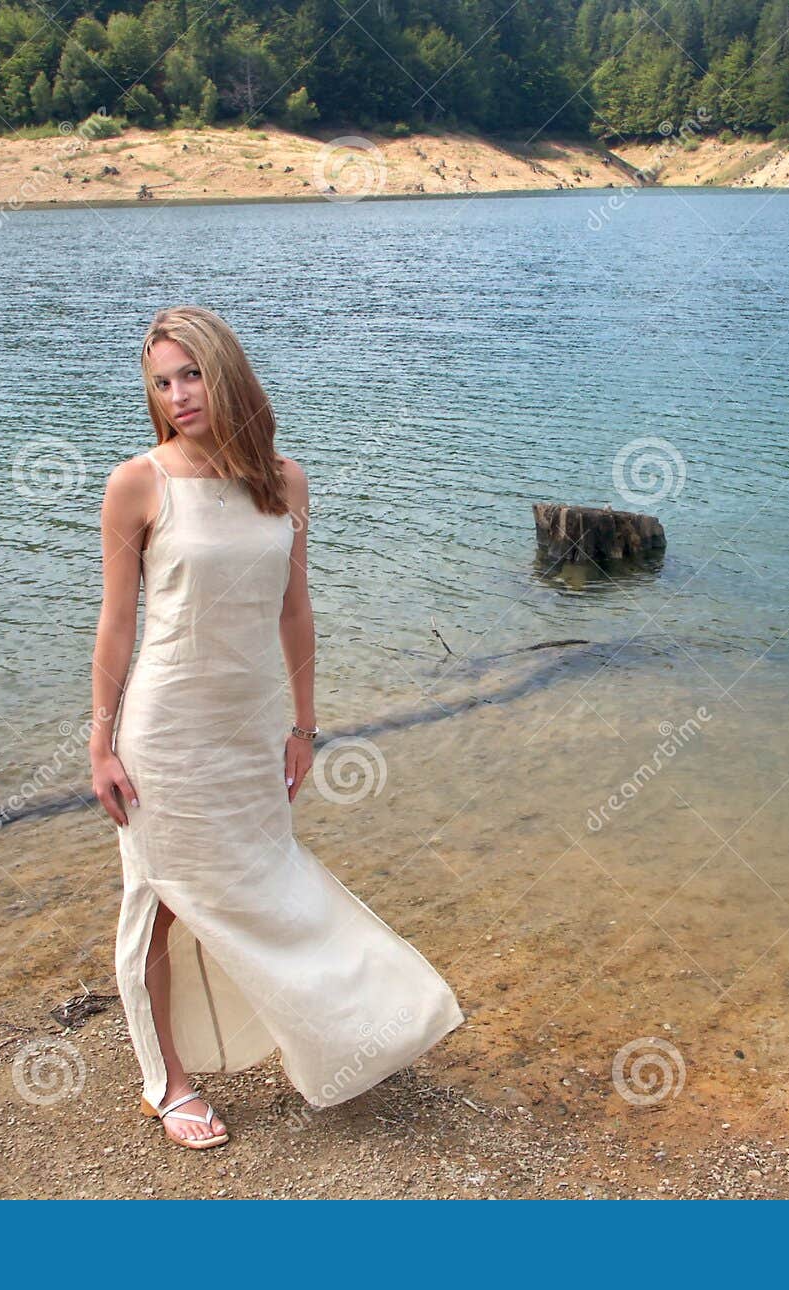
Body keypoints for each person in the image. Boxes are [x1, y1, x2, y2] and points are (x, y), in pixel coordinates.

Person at [88, 305, 464, 1150]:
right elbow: (116, 625)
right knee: (158, 903)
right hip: (165, 733)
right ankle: (166, 1082)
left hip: (251, 730)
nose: (179, 395)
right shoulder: (137, 483)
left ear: (228, 374)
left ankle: (347, 1024)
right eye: (162, 381)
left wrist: (304, 725)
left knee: (270, 890)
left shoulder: (283, 482)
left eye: (192, 374)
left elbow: (297, 609)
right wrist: (100, 742)